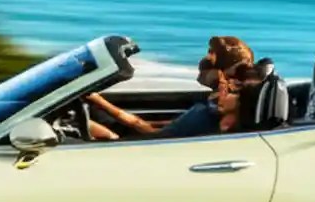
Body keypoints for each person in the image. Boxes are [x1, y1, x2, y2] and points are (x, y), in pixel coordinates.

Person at [86, 36, 259, 140]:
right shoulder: (213, 106)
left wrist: (97, 100)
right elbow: (164, 125)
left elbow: (151, 132)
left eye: (210, 60)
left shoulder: (204, 115)